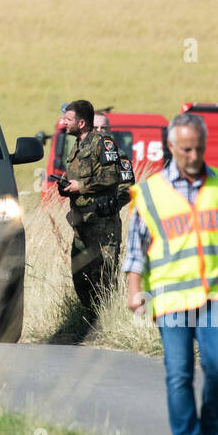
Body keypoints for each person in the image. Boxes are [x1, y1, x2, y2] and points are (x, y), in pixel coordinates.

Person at [124, 111, 218, 435]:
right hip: (171, 297)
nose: (193, 156)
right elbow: (135, 250)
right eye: (186, 149)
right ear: (171, 146)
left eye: (199, 149)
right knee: (179, 372)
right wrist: (134, 289)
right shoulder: (150, 193)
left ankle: (210, 432)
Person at [58, 99, 132, 319]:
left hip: (101, 224)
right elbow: (78, 175)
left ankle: (106, 323)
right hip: (82, 223)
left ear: (81, 123)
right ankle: (90, 320)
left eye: (68, 119)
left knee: (104, 277)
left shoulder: (103, 143)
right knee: (80, 276)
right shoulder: (77, 146)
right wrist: (65, 186)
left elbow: (111, 177)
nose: (64, 123)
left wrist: (81, 186)